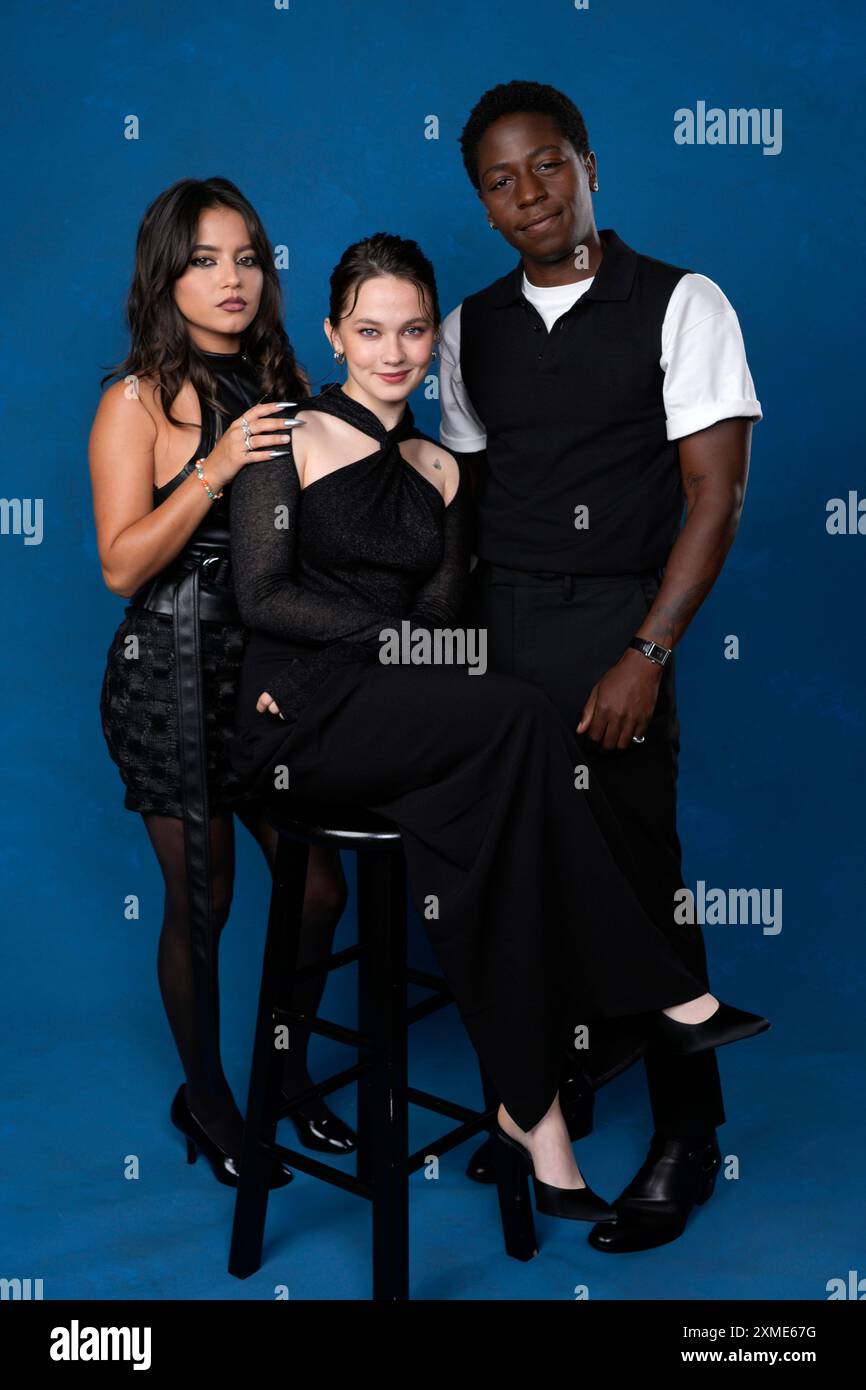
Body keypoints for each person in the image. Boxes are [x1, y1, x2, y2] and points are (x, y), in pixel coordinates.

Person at [228, 231, 769, 1226]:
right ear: (333, 334)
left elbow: (436, 634)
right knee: (520, 711)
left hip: (383, 708)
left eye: (413, 330)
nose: (392, 352)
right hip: (290, 720)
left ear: (437, 339)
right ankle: (654, 995)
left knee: (495, 829)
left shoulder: (438, 468)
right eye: (369, 330)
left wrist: (399, 651)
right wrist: (364, 653)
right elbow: (263, 596)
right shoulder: (287, 435)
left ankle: (532, 1108)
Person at [437, 79, 763, 1251]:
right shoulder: (468, 328)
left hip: (617, 631)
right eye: (497, 179)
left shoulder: (680, 302)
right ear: (478, 202)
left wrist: (645, 653)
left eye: (544, 167)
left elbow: (713, 499)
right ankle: (552, 1098)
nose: (525, 194)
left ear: (586, 165)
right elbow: (462, 506)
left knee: (636, 869)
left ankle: (688, 1130)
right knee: (525, 878)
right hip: (501, 632)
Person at [91, 176, 356, 1191]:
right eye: (205, 259)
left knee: (318, 886)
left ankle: (283, 1075)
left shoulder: (279, 372)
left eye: (247, 255)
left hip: (264, 675)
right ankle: (207, 1100)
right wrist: (211, 467)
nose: (232, 277)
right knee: (204, 898)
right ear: (167, 275)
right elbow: (120, 564)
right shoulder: (136, 399)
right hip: (167, 671)